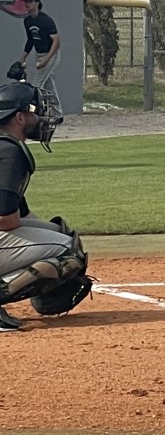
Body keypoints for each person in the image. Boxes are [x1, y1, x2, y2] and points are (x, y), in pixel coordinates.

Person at [0, 81, 92, 331]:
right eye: (34, 110)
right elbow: (7, 221)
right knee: (67, 251)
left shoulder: (4, 146)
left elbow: (20, 213)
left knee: (60, 234)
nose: (41, 117)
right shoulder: (9, 151)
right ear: (19, 117)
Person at [17, 0, 60, 107]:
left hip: (51, 54)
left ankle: (35, 113)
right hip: (39, 53)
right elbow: (30, 40)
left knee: (37, 85)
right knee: (49, 86)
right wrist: (22, 58)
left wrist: (46, 59)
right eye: (26, 2)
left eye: (30, 1)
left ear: (37, 3)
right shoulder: (28, 21)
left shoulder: (46, 20)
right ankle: (58, 114)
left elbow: (56, 41)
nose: (27, 4)